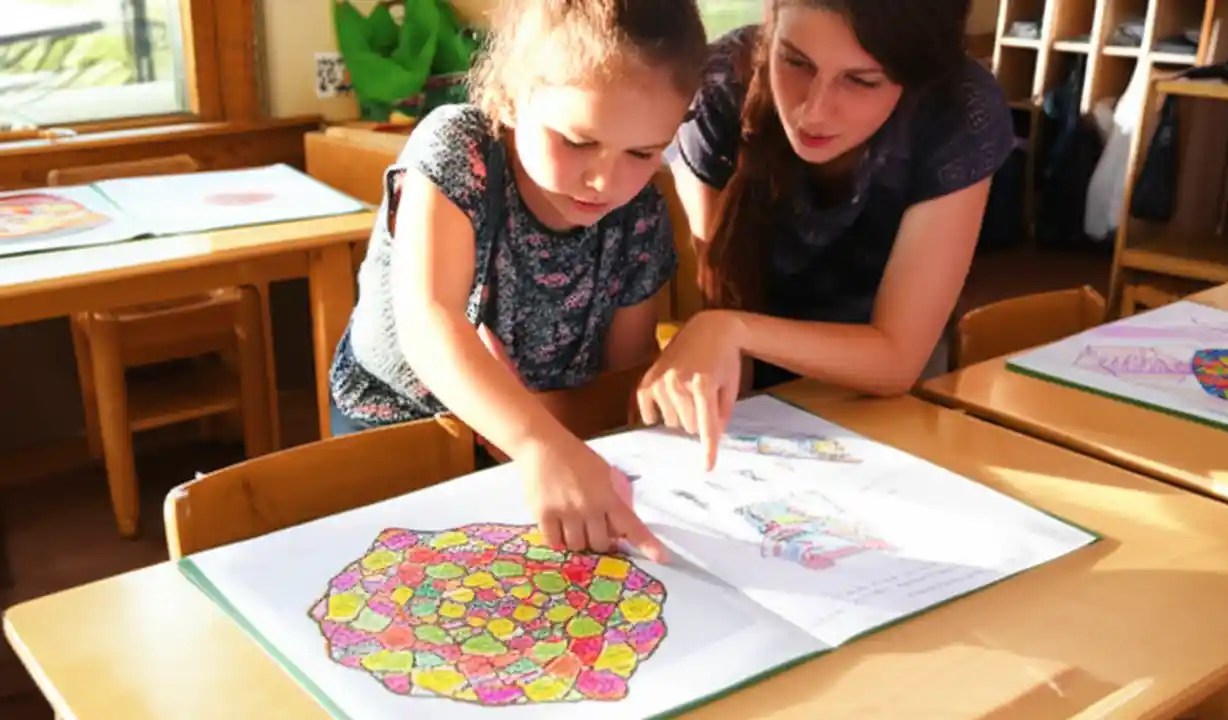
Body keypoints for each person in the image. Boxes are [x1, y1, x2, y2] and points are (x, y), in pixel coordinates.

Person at [328, 0, 709, 560]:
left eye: (643, 152)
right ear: (508, 95)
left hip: (554, 441)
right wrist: (535, 439)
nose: (605, 180)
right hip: (404, 432)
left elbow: (618, 384)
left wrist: (544, 431)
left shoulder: (640, 213)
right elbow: (429, 322)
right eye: (577, 141)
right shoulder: (459, 149)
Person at [637, 0, 1014, 468]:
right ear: (771, 27)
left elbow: (897, 360)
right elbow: (724, 296)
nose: (813, 112)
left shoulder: (958, 108)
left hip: (886, 386)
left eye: (860, 81)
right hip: (755, 385)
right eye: (795, 61)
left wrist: (730, 330)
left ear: (914, 78)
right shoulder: (718, 90)